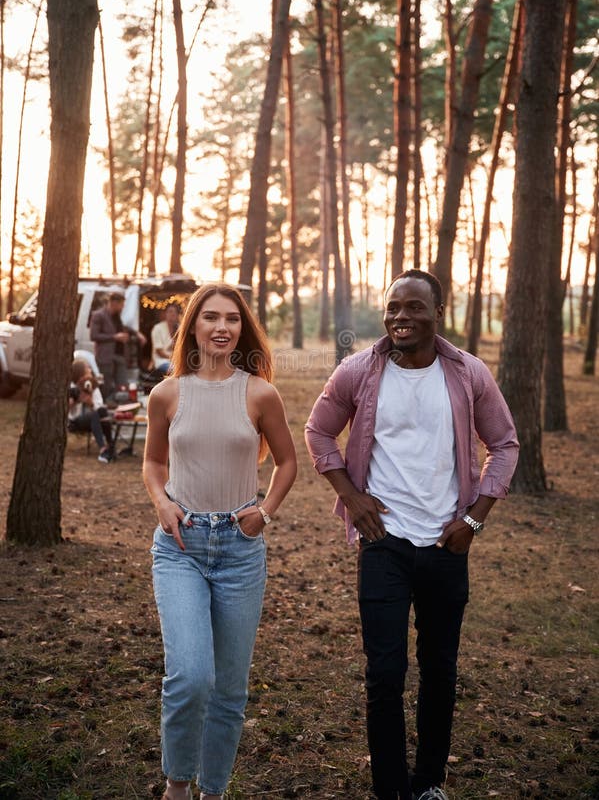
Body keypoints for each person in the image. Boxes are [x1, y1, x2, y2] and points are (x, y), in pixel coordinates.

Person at [305, 269, 519, 800]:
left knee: (440, 671)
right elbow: (317, 432)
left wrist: (473, 520)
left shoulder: (469, 373)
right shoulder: (358, 370)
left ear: (437, 313)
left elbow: (505, 444)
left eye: (414, 307)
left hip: (448, 543)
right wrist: (352, 499)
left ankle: (428, 784)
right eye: (393, 307)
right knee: (384, 673)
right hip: (385, 542)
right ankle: (389, 788)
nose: (402, 316)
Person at [143, 283, 297, 800]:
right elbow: (153, 462)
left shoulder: (259, 392)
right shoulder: (167, 393)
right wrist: (162, 503)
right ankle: (177, 786)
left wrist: (265, 513)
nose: (221, 327)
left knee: (229, 689)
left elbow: (288, 461)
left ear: (242, 328)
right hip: (181, 547)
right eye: (210, 317)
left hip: (239, 549)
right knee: (190, 677)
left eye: (231, 318)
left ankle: (213, 791)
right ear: (193, 327)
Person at [90, 291, 146, 400]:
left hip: (120, 355)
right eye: (121, 305)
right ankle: (105, 407)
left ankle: (120, 405)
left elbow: (123, 327)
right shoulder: (98, 315)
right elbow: (94, 335)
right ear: (114, 303)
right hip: (106, 356)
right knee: (106, 385)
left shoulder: (116, 316)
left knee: (122, 385)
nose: (122, 307)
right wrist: (115, 337)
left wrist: (136, 333)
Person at [67, 359, 114, 463]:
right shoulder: (71, 387)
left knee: (101, 411)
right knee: (95, 415)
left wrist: (90, 402)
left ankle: (110, 446)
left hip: (94, 419)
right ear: (80, 372)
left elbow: (99, 406)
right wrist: (76, 400)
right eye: (87, 368)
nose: (90, 369)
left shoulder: (93, 385)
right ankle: (103, 449)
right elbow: (65, 410)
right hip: (76, 421)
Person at [151, 302, 180, 375]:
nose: (172, 314)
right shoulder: (158, 328)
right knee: (177, 370)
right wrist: (176, 358)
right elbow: (160, 352)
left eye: (175, 312)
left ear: (177, 315)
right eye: (170, 311)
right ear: (165, 314)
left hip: (177, 360)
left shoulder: (179, 328)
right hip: (162, 361)